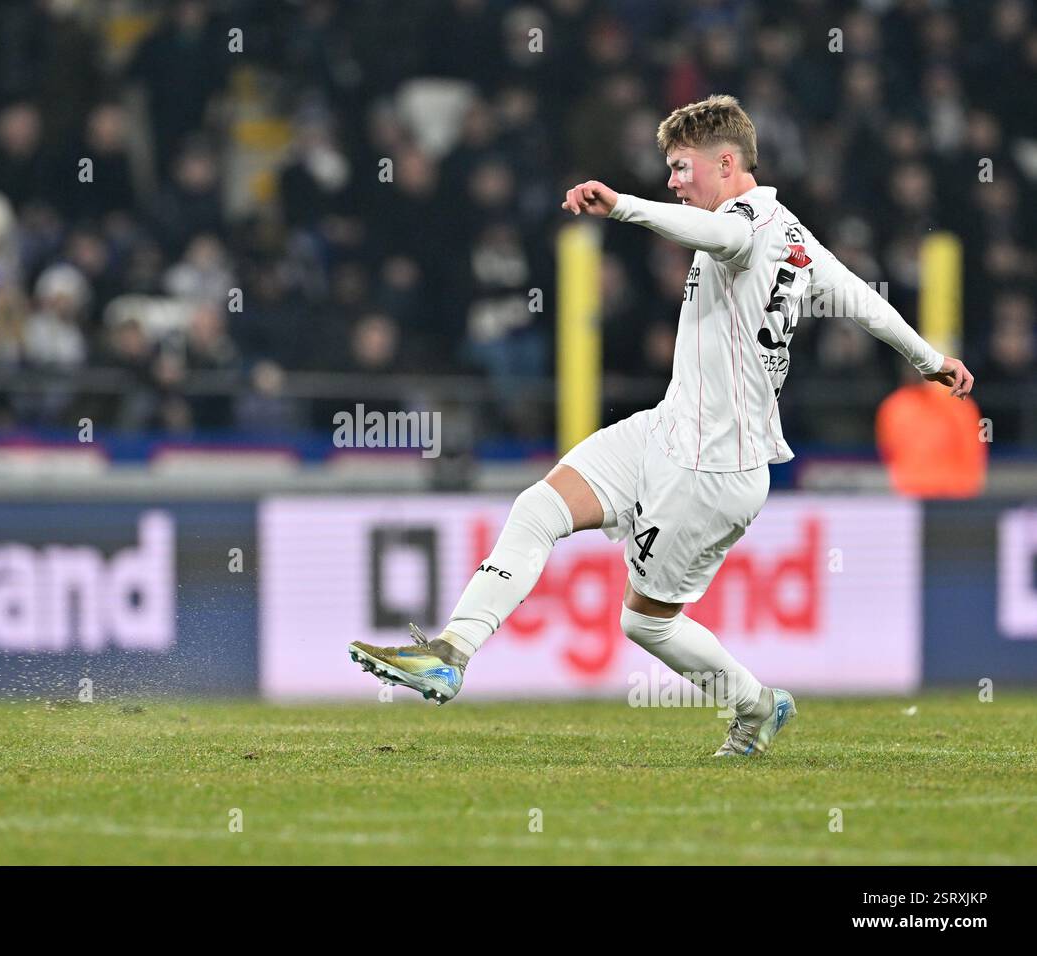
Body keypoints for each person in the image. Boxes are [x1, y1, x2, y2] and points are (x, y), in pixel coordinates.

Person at [349, 95, 975, 756]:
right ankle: (452, 650)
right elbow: (864, 300)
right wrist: (931, 360)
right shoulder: (794, 236)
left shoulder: (744, 225)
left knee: (644, 623)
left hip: (713, 468)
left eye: (682, 168)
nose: (673, 181)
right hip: (668, 429)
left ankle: (756, 705)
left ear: (726, 163)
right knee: (538, 508)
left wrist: (621, 206)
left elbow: (724, 239)